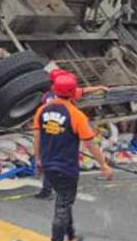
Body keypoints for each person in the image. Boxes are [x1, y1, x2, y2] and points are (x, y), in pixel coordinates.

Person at [33, 72, 113, 241]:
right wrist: (103, 165)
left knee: (63, 201)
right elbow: (91, 144)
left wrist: (38, 160)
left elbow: (37, 137)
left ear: (55, 89)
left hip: (49, 164)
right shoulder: (76, 115)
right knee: (62, 206)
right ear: (72, 93)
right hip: (66, 167)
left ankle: (71, 239)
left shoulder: (42, 111)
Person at [35, 67, 110, 200]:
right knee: (64, 160)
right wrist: (103, 164)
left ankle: (47, 190)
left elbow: (37, 134)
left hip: (50, 133)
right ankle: (62, 193)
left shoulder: (45, 100)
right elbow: (82, 91)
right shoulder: (74, 112)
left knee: (50, 160)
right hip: (65, 131)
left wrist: (37, 157)